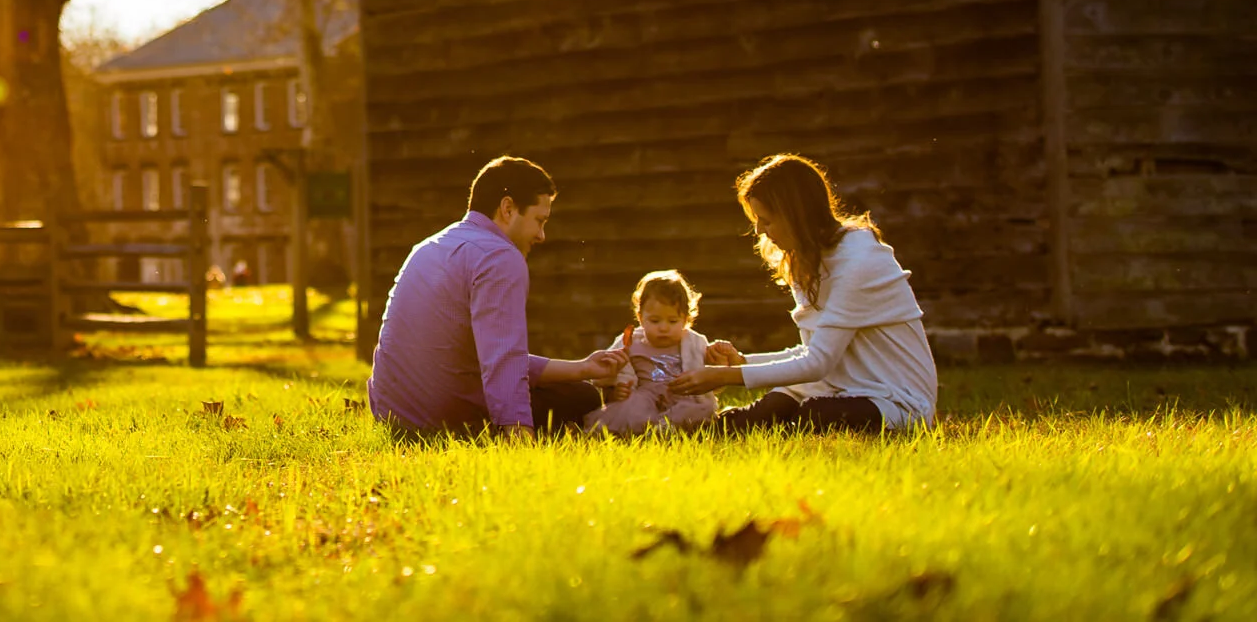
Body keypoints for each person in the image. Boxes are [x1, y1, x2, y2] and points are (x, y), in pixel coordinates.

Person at [668, 153, 938, 434]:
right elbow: (812, 351)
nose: (759, 229)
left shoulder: (860, 260)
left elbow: (817, 363)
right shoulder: (806, 258)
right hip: (835, 384)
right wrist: (743, 361)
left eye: (766, 219)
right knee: (762, 415)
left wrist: (726, 375)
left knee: (813, 415)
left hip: (894, 398)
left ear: (795, 215)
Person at [367, 155, 628, 435]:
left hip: (391, 416)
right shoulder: (500, 257)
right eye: (539, 220)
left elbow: (488, 351)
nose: (542, 236)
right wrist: (517, 432)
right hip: (444, 420)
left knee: (574, 384)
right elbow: (502, 359)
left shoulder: (428, 246)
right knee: (582, 397)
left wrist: (583, 367)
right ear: (508, 208)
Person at [583, 269, 725, 437]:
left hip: (682, 396)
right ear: (640, 317)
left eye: (673, 321)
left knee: (698, 409)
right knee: (631, 409)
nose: (663, 328)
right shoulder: (630, 341)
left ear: (686, 319)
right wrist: (615, 389)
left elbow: (710, 379)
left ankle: (666, 427)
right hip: (645, 396)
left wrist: (719, 364)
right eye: (654, 321)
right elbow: (608, 368)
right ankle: (647, 429)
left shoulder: (695, 343)